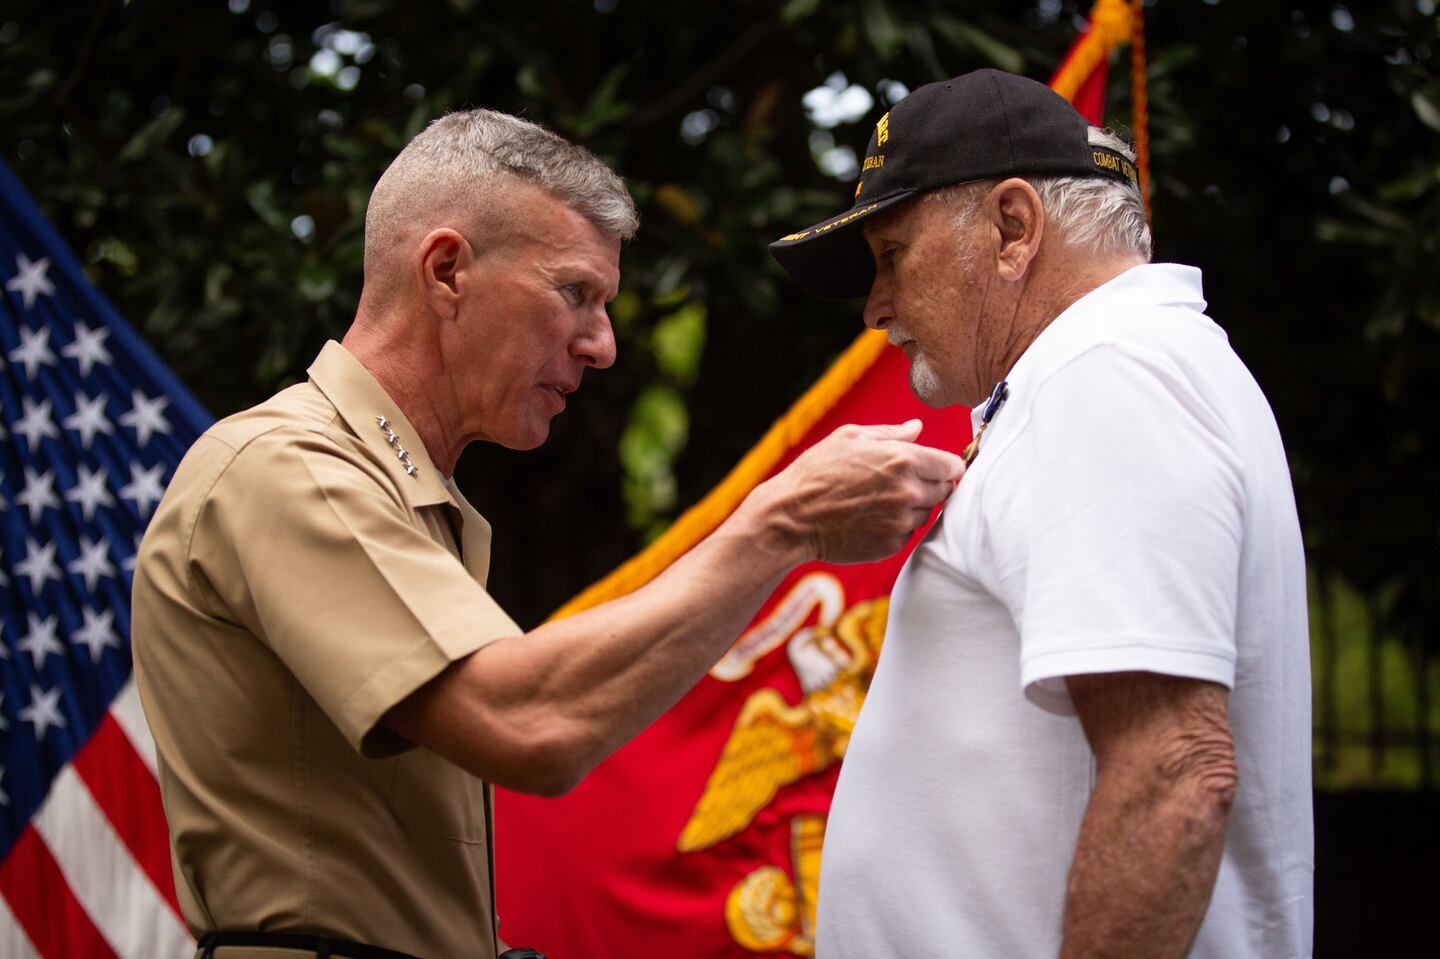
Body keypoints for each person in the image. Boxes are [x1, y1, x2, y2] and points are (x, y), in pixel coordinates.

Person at [131, 109, 963, 959]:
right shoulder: (290, 465)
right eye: (575, 293)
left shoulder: (394, 489)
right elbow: (529, 724)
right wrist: (784, 520)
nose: (603, 345)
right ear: (446, 271)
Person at [769, 69, 1313, 958]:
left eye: (892, 254)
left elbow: (1174, 769)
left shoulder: (1108, 373)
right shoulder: (1114, 369)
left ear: (1013, 228)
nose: (875, 308)